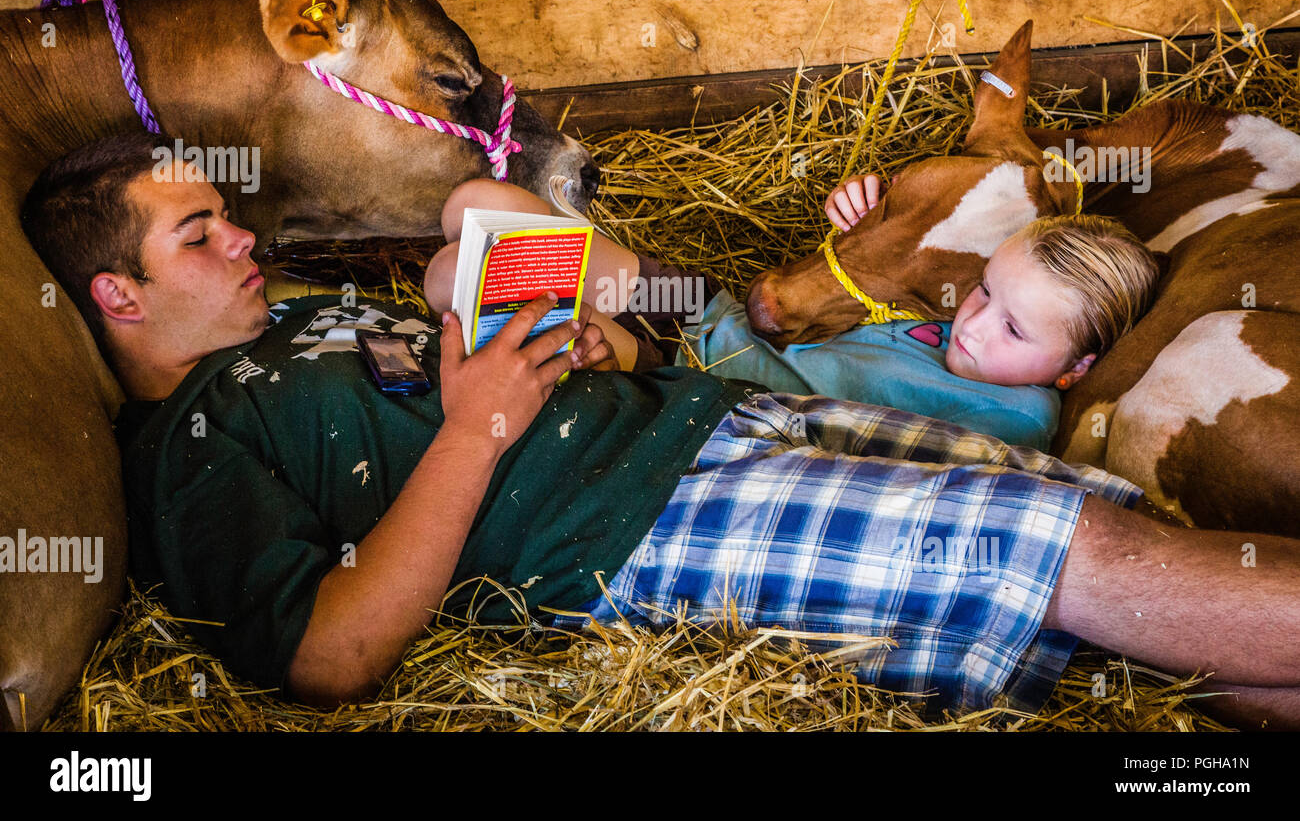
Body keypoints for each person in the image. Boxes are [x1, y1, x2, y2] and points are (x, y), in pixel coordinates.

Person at [21, 133, 1300, 729]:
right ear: (117, 295)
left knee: (1107, 538)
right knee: (1075, 554)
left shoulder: (291, 323)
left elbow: (469, 301)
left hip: (710, 415)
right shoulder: (191, 445)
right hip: (638, 524)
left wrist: (590, 344)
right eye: (200, 235)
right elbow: (327, 655)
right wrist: (477, 429)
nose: (244, 235)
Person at [423, 177, 1161, 450]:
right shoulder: (954, 327)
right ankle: (538, 285)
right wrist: (861, 220)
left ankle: (536, 310)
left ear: (1077, 371)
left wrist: (626, 356)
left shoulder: (1015, 421)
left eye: (1013, 328)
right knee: (473, 201)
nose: (974, 323)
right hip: (697, 306)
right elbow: (852, 287)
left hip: (677, 376)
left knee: (451, 276)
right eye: (985, 291)